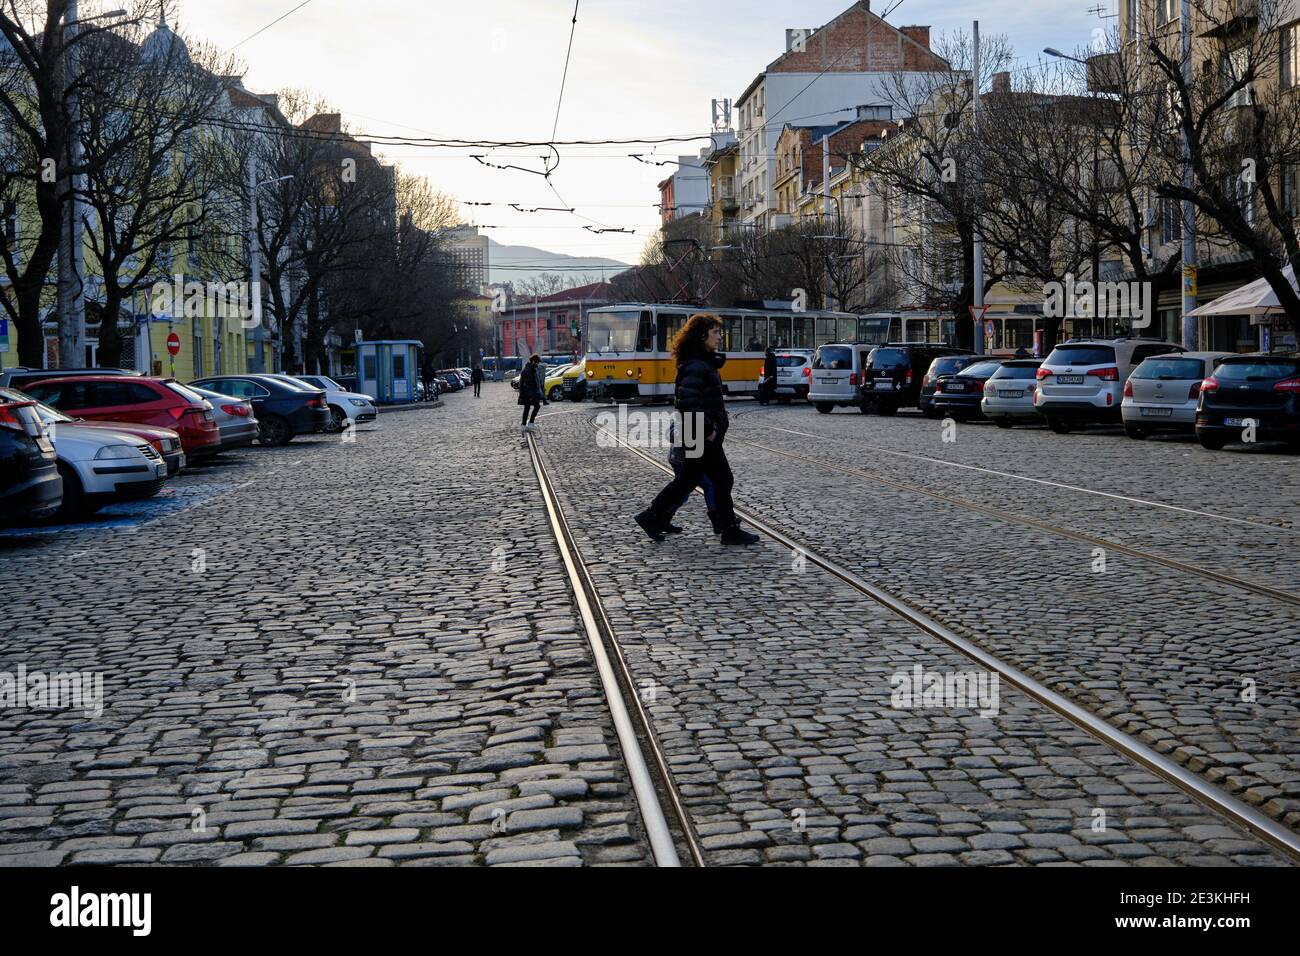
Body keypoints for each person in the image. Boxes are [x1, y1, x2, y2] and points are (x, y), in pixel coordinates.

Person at [634, 313, 759, 546]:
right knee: (722, 478)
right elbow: (688, 402)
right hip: (699, 432)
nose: (719, 337)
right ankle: (729, 529)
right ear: (701, 336)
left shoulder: (700, 362)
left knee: (688, 479)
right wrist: (709, 429)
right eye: (715, 333)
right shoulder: (695, 365)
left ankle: (652, 516)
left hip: (697, 431)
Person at [517, 353, 545, 431]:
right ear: (533, 361)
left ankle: (524, 425)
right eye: (537, 363)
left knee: (527, 408)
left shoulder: (530, 369)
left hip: (528, 394)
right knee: (536, 406)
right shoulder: (529, 370)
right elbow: (528, 384)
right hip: (529, 394)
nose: (538, 364)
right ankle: (530, 423)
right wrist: (531, 395)